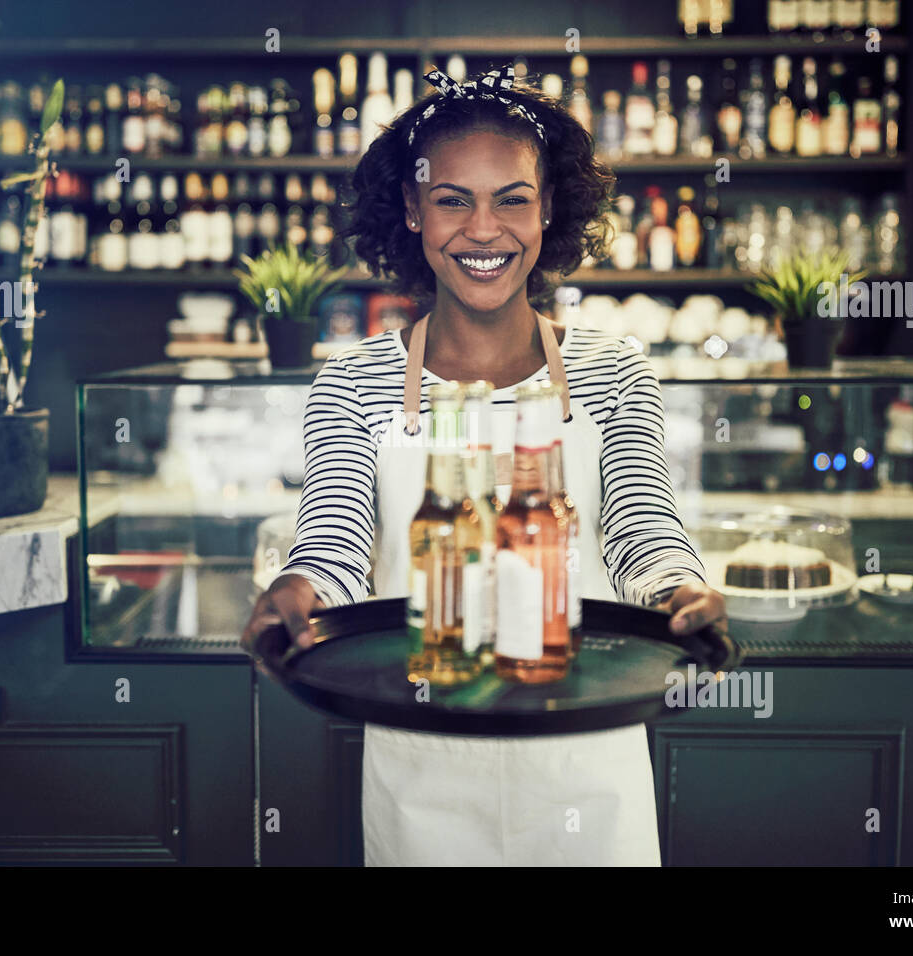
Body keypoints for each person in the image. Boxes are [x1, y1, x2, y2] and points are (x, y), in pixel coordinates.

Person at [242, 64, 728, 866]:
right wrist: (296, 591)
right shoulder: (354, 383)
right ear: (411, 209)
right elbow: (333, 547)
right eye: (452, 199)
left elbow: (644, 537)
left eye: (512, 198)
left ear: (547, 212)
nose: (484, 230)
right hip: (423, 758)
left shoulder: (613, 371)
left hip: (586, 756)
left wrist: (684, 591)